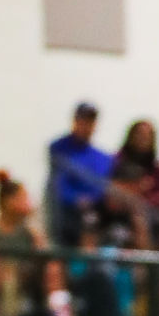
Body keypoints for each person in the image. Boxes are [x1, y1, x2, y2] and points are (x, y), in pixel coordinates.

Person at [45, 103, 112, 246]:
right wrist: (75, 199)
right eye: (82, 120)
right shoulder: (59, 148)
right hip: (64, 215)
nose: (85, 126)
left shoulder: (103, 158)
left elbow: (101, 187)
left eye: (90, 121)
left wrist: (91, 200)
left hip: (93, 215)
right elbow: (58, 183)